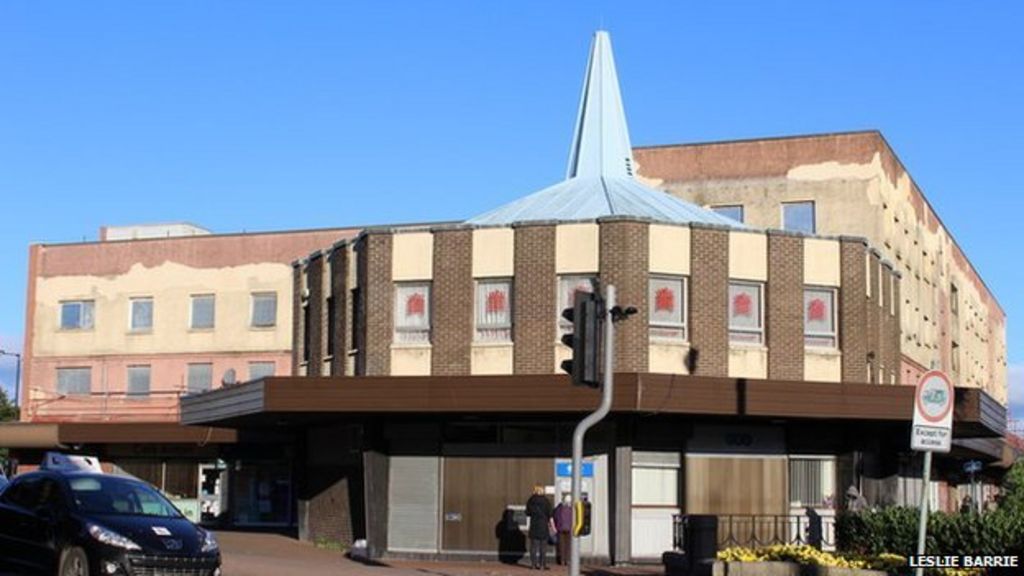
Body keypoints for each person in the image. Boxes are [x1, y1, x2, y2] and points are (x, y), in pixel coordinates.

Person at [526, 485, 553, 570]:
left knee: (533, 547)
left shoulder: (531, 500)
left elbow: (527, 513)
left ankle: (533, 564)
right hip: (543, 525)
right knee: (543, 547)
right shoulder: (546, 501)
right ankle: (542, 565)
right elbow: (550, 513)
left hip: (534, 525)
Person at [553, 494, 573, 565]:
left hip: (560, 528)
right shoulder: (571, 509)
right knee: (568, 545)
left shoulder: (558, 509)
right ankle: (567, 560)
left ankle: (562, 560)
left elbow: (555, 517)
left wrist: (556, 526)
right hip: (569, 528)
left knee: (561, 545)